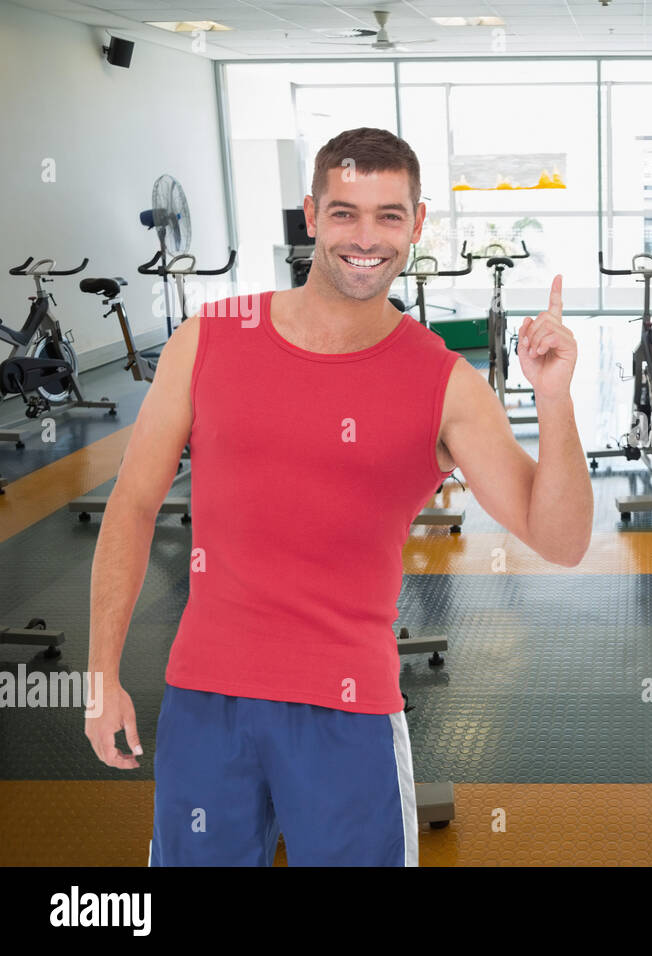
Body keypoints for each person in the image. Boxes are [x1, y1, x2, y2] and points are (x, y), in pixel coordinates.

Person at [83, 127, 593, 865]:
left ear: (417, 226)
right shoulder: (212, 338)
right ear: (311, 216)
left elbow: (562, 539)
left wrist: (554, 398)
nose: (367, 237)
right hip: (205, 699)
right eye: (346, 211)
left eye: (390, 215)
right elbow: (130, 506)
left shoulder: (443, 381)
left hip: (348, 714)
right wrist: (101, 675)